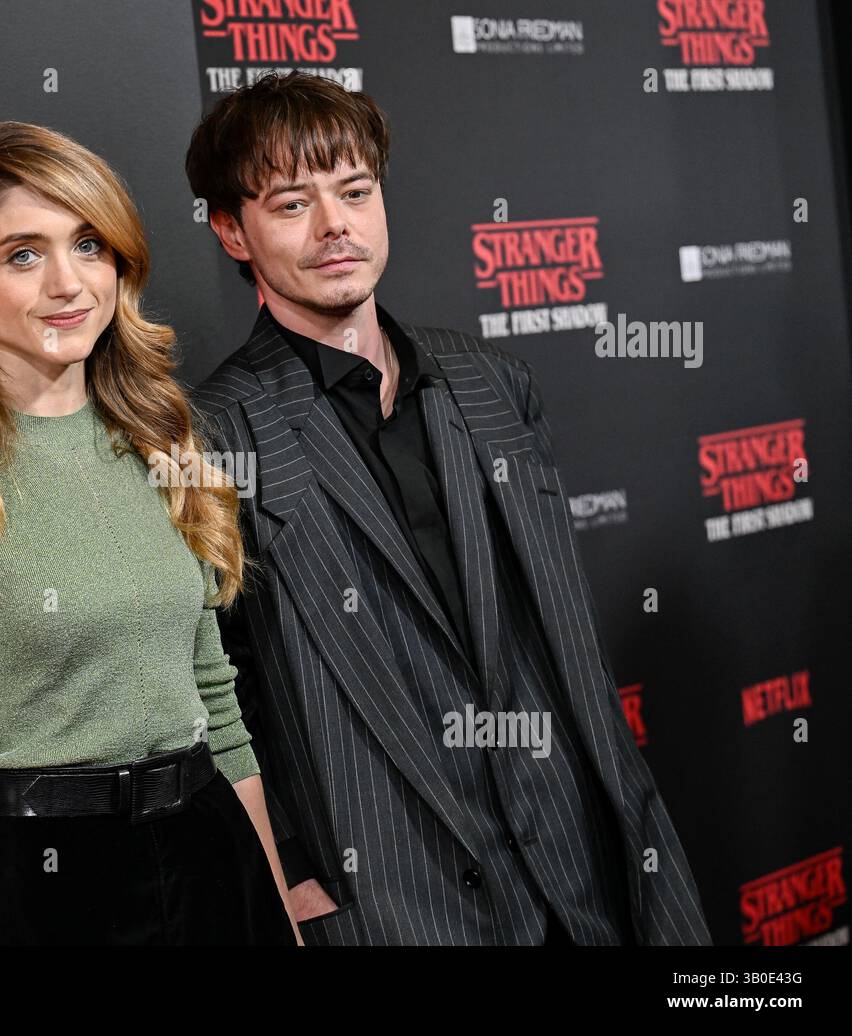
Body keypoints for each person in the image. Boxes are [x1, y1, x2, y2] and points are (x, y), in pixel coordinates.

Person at [187, 71, 712, 946]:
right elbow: (213, 682)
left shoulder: (492, 382)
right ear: (230, 230)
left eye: (355, 192)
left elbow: (559, 644)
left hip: (579, 872)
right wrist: (288, 864)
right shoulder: (209, 435)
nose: (335, 227)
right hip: (394, 893)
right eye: (291, 205)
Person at [0, 121, 300, 946]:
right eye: (23, 254)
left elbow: (217, 703)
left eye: (89, 245)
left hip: (213, 854)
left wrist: (279, 918)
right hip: (56, 880)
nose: (68, 284)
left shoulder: (169, 453)